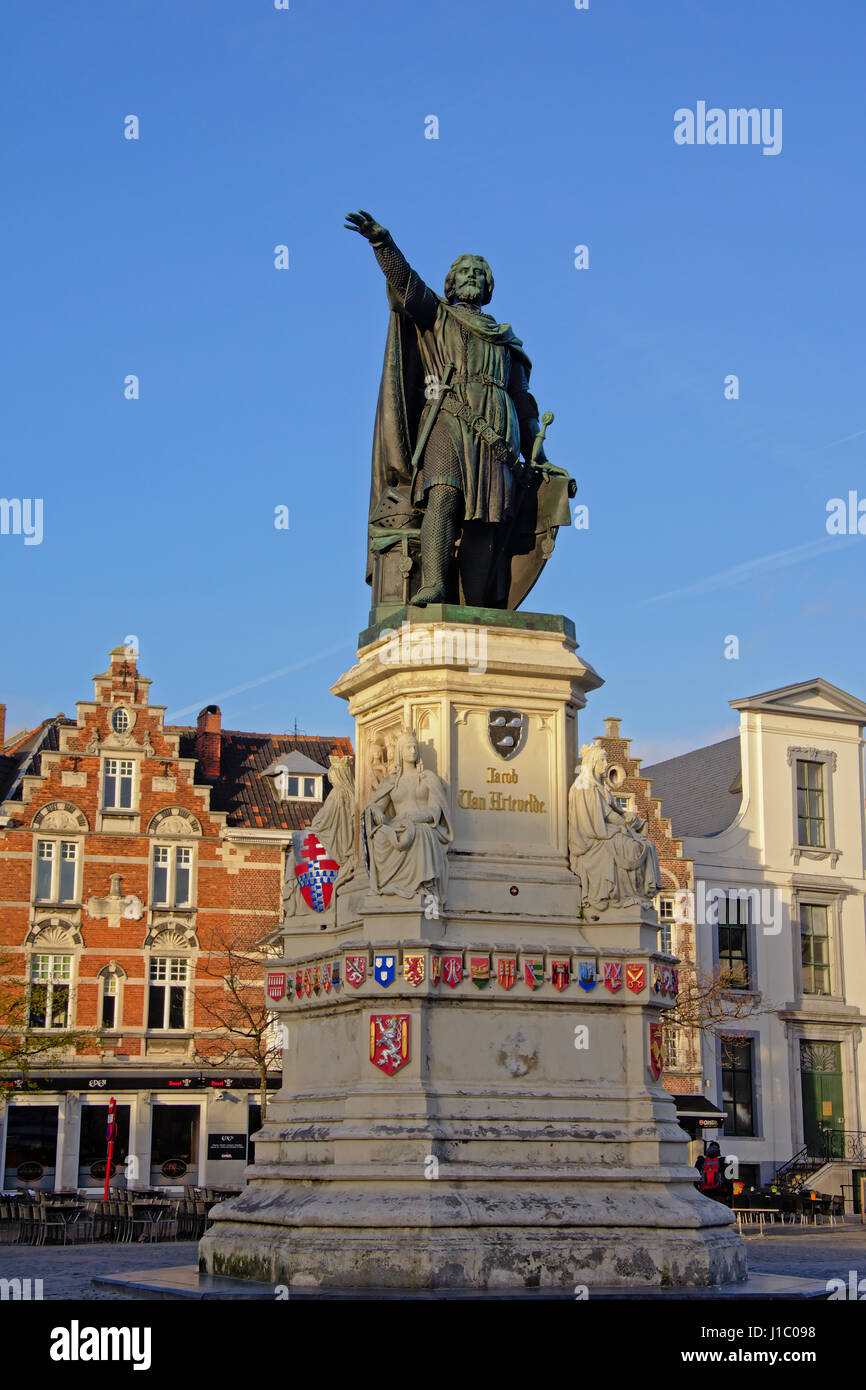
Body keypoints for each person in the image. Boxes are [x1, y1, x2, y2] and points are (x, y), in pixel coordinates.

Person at [346, 210, 567, 608]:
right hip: (448, 416)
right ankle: (435, 585)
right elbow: (406, 283)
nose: (471, 276)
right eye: (463, 271)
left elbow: (523, 400)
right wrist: (383, 243)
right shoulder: (437, 316)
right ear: (450, 284)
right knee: (444, 494)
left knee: (487, 517)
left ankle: (478, 604)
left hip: (499, 430)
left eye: (479, 273)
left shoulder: (504, 340)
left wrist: (541, 454)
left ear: (488, 288)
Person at [363, 730, 452, 900]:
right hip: (397, 824)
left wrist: (416, 818)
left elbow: (435, 810)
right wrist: (375, 810)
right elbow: (377, 805)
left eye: (414, 747)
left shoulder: (428, 778)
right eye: (408, 747)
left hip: (421, 823)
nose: (413, 751)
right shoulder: (391, 781)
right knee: (380, 836)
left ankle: (421, 886)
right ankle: (387, 886)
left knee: (421, 833)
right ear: (399, 752)